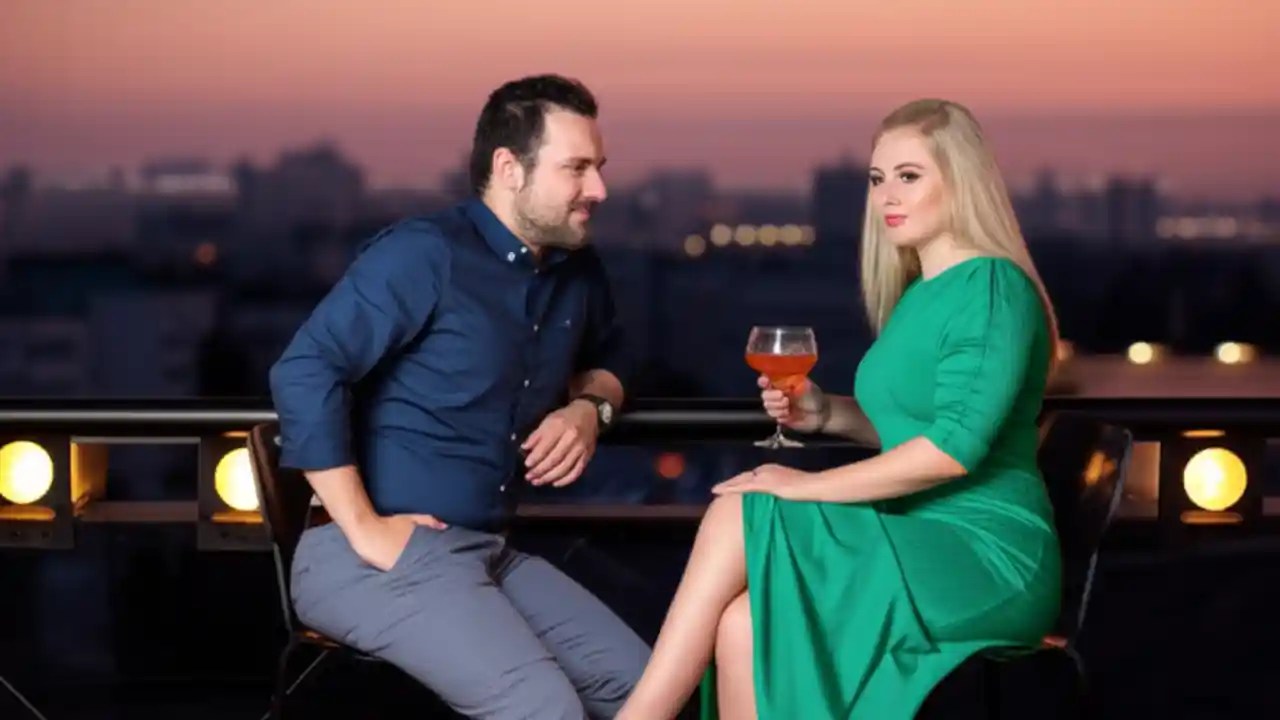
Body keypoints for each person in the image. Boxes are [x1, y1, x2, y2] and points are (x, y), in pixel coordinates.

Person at [614, 98, 1064, 720]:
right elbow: (912, 428)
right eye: (878, 180)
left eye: (910, 176)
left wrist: (806, 488)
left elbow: (952, 451)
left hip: (985, 555)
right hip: (913, 535)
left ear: (960, 181)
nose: (887, 197)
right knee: (745, 624)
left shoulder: (990, 288)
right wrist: (826, 414)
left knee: (739, 511)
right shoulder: (920, 296)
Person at [269, 73, 650, 720]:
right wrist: (364, 528)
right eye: (577, 168)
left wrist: (592, 410)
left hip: (488, 551)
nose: (600, 189)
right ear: (509, 168)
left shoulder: (576, 270)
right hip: (367, 554)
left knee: (648, 689)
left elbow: (612, 362)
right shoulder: (424, 254)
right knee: (543, 709)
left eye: (600, 167)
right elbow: (305, 368)